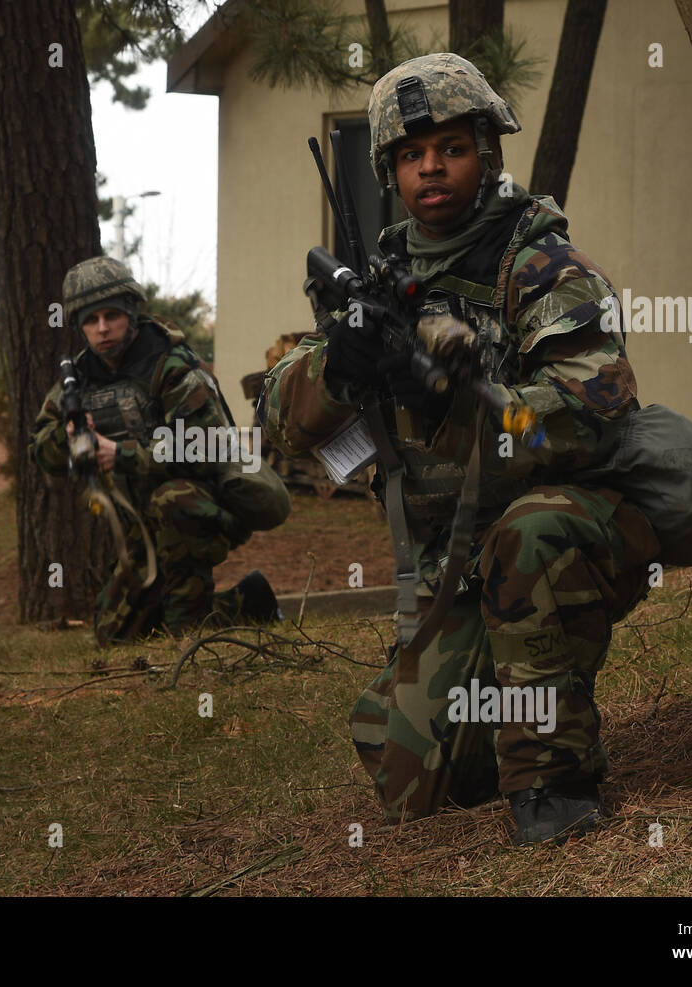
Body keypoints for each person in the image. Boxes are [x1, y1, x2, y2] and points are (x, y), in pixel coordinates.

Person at [260, 53, 661, 845]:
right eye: (411, 155)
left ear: (488, 153)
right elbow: (277, 424)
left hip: (577, 522)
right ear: (390, 172)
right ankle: (512, 719)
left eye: (451, 147)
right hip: (459, 562)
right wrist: (335, 371)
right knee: (409, 776)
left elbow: (589, 419)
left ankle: (555, 781)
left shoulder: (542, 264)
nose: (431, 168)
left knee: (530, 534)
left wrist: (458, 400)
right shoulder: (384, 280)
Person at [31, 255, 286, 646]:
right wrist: (66, 439)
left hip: (200, 509)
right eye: (90, 320)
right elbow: (40, 450)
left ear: (131, 312)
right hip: (143, 524)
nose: (102, 329)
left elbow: (207, 446)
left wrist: (122, 455)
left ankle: (190, 622)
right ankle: (250, 601)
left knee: (184, 624)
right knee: (114, 635)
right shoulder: (79, 379)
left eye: (111, 315)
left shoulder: (172, 366)